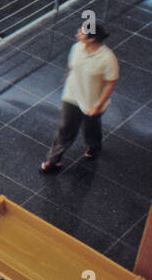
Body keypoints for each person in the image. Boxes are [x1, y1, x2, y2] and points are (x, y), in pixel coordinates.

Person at [41, 25, 119, 173]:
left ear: (92, 39)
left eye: (81, 33)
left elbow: (111, 83)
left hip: (92, 102)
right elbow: (71, 66)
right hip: (72, 96)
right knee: (65, 129)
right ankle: (53, 161)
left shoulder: (108, 58)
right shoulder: (77, 48)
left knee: (91, 127)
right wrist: (66, 79)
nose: (77, 34)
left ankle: (93, 147)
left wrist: (99, 104)